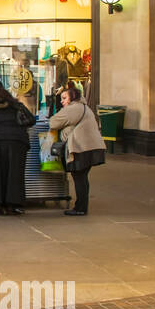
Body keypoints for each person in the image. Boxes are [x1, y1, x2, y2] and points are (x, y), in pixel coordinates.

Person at [48, 83, 106, 216]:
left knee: (79, 177)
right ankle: (81, 206)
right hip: (91, 147)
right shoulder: (84, 107)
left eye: (64, 98)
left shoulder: (73, 109)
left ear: (72, 98)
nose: (62, 101)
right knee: (82, 177)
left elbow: (53, 122)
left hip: (81, 149)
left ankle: (80, 208)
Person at [0, 78, 32, 215]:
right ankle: (13, 204)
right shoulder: (16, 107)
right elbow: (31, 120)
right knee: (14, 174)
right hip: (16, 142)